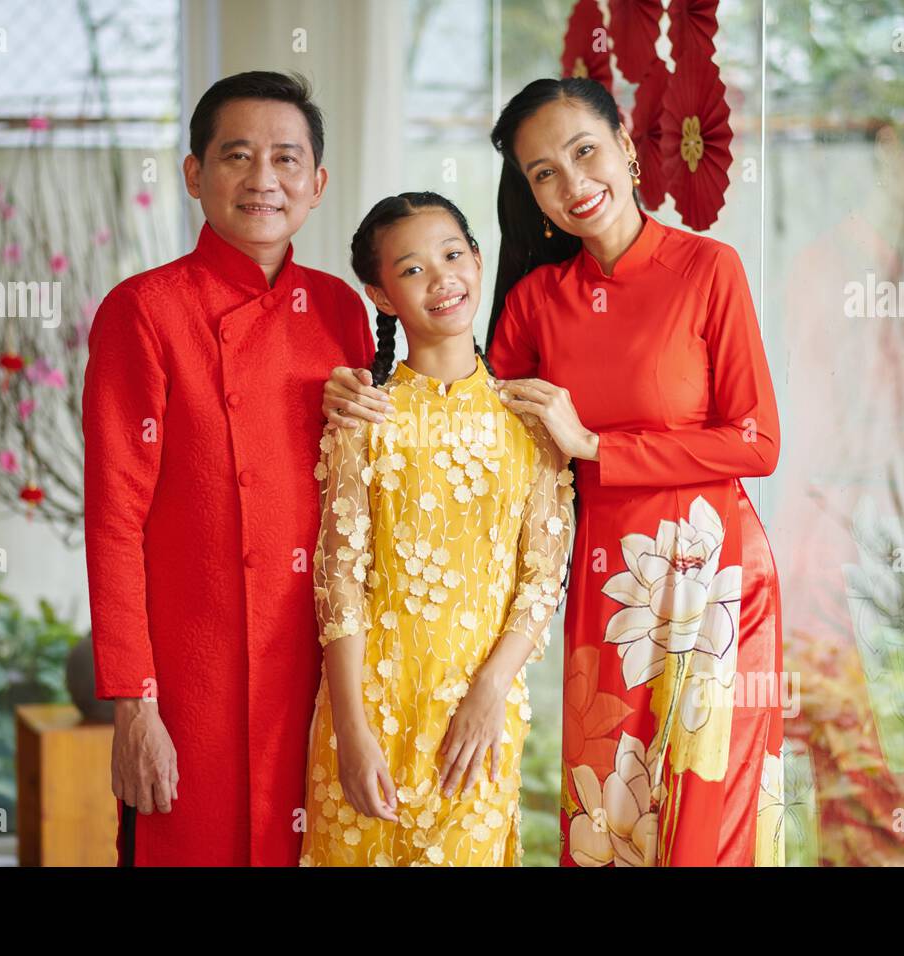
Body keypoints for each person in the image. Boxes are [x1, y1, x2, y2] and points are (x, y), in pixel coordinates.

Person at [322, 78, 785, 866]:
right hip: (604, 582)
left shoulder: (709, 268)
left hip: (713, 575)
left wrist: (597, 445)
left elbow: (757, 443)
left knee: (707, 828)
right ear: (531, 195)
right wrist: (356, 389)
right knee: (609, 820)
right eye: (544, 173)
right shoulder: (536, 300)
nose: (573, 184)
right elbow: (472, 418)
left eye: (584, 152)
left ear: (626, 147)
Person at [83, 71, 375, 866]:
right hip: (192, 679)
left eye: (286, 159)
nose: (262, 180)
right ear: (194, 173)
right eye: (237, 156)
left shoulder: (342, 310)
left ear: (317, 184)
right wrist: (134, 704)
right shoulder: (143, 311)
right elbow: (113, 520)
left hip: (318, 672)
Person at [300, 193, 575, 865]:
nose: (442, 278)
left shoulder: (533, 422)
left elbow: (542, 580)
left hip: (480, 724)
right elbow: (339, 582)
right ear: (381, 295)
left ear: (478, 260)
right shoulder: (364, 418)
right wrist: (350, 729)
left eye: (453, 254)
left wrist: (491, 691)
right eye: (412, 269)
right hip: (368, 715)